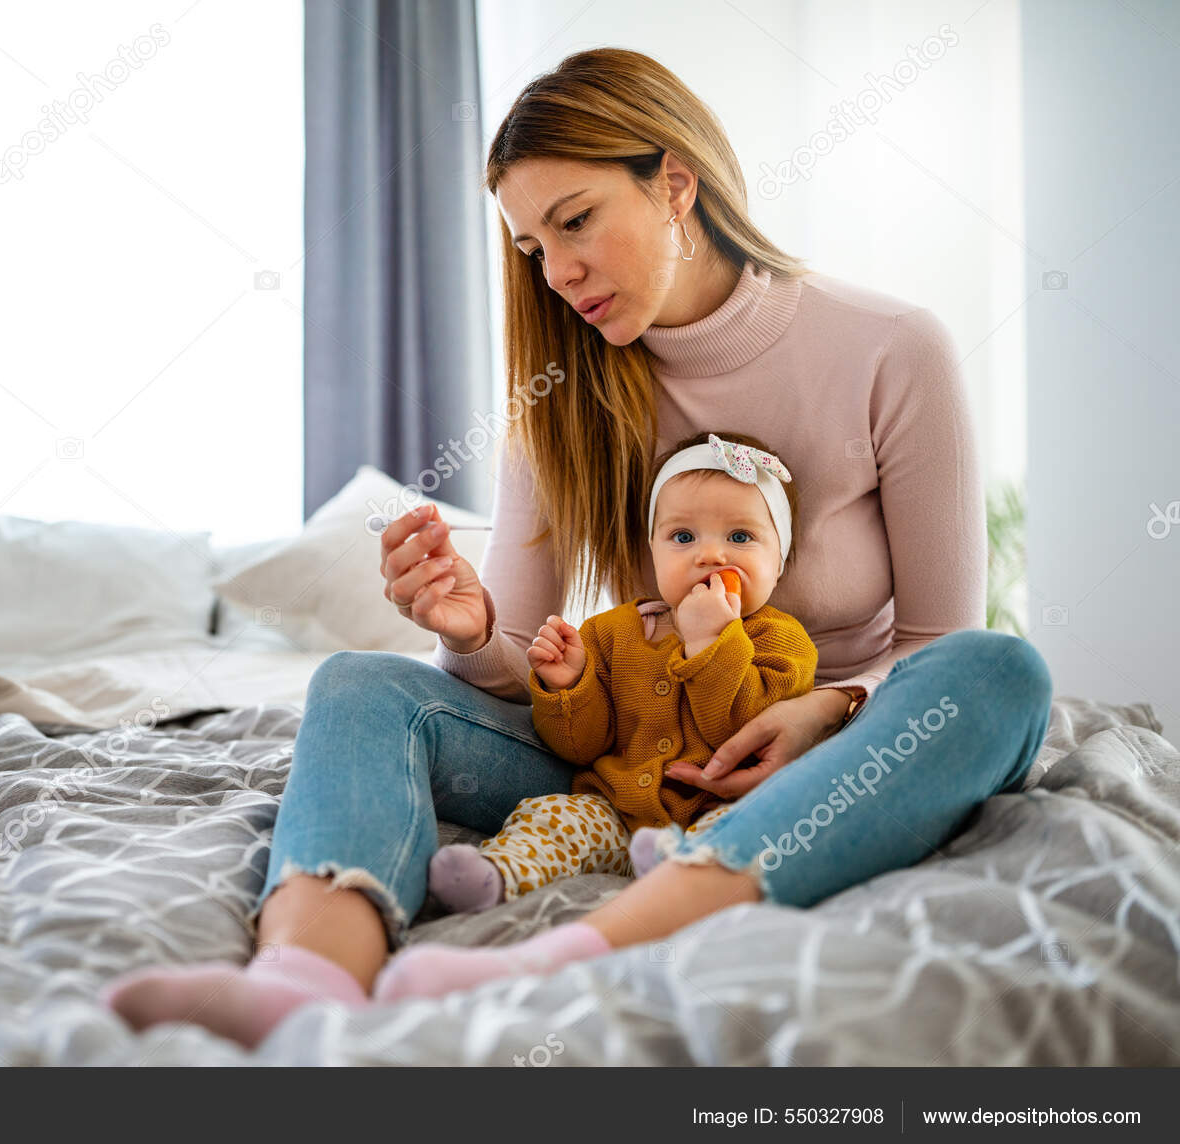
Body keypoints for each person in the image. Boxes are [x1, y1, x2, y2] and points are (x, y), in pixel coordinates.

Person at [102, 46, 1053, 1045]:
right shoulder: (559, 391)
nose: (556, 274)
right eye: (530, 248)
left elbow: (939, 644)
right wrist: (471, 633)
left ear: (674, 183)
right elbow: (518, 678)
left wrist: (826, 711)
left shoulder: (890, 348)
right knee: (358, 684)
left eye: (575, 221)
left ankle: (564, 958)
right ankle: (302, 977)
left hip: (828, 763)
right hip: (625, 759)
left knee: (1001, 673)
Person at [428, 431, 818, 912]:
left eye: (740, 537)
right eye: (683, 537)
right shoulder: (611, 632)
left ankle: (680, 874)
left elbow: (745, 729)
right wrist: (570, 686)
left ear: (779, 560)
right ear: (653, 550)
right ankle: (497, 874)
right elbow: (581, 748)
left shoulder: (782, 642)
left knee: (752, 831)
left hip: (718, 810)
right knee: (555, 815)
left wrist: (712, 641)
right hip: (615, 811)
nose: (711, 556)